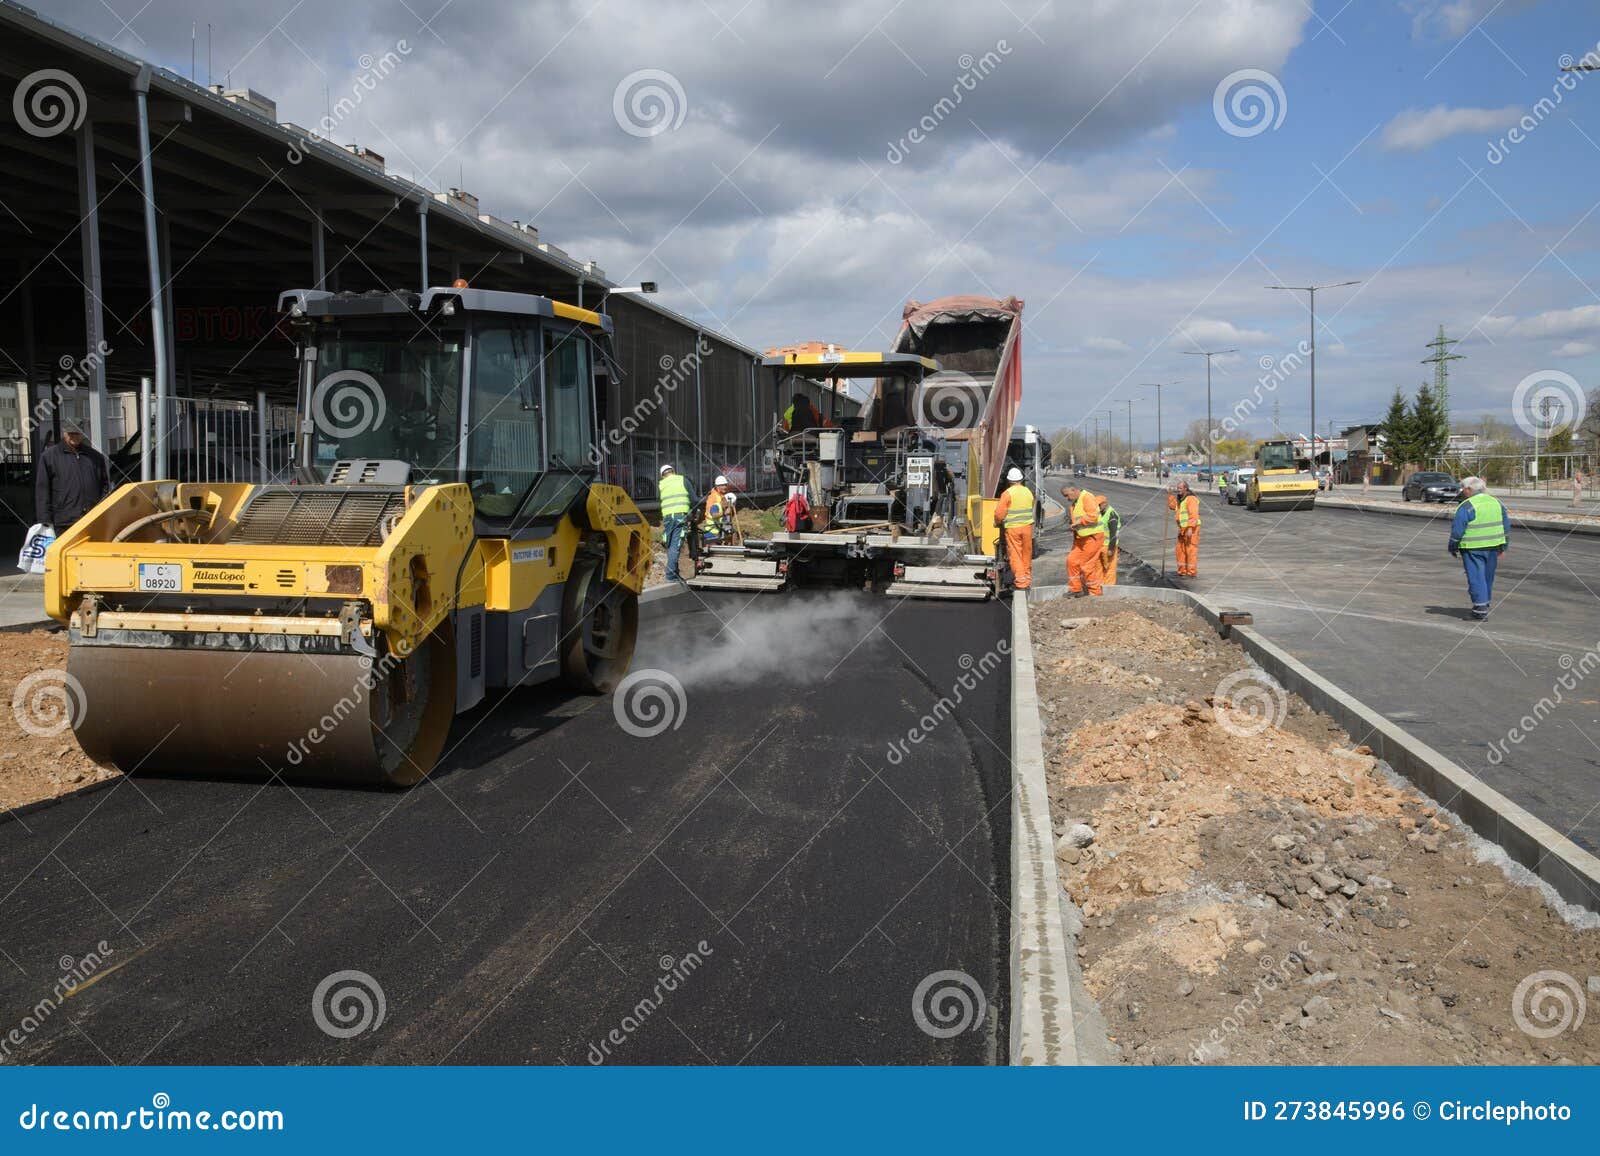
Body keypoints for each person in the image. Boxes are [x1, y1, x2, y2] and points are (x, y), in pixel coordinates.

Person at [1448, 476, 1509, 620]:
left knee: (1476, 577)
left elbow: (1457, 530)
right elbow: (1505, 526)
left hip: (1472, 548)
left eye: (1463, 488)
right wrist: (1503, 546)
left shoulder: (1467, 505)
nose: (1462, 491)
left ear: (1469, 489)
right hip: (1493, 546)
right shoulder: (1496, 502)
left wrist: (1453, 546)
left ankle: (1480, 610)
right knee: (1487, 577)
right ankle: (1484, 604)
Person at [35, 421, 110, 535]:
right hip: (63, 521)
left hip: (92, 519)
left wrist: (100, 510)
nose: (74, 437)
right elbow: (42, 489)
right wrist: (45, 520)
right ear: (64, 433)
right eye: (71, 433)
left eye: (77, 433)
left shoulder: (95, 456)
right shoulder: (49, 456)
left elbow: (104, 485)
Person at [1059, 484, 1106, 596]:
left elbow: (1092, 516)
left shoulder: (1086, 497)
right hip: (1081, 539)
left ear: (1073, 490)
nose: (1067, 498)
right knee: (1071, 561)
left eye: (1067, 495)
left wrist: (1078, 523)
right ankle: (1076, 589)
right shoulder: (1075, 503)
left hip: (1092, 538)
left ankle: (1095, 592)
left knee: (1086, 565)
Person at [993, 466, 1035, 591]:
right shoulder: (1028, 492)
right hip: (1027, 527)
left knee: (1016, 555)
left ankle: (1021, 583)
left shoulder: (1007, 493)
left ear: (1009, 481)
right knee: (1026, 554)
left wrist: (997, 522)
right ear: (1021, 479)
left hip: (1013, 529)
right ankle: (1027, 580)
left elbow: (999, 513)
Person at [657, 463, 692, 583]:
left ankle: (675, 572)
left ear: (662, 476)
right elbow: (694, 498)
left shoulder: (662, 484)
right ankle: (671, 576)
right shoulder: (682, 480)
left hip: (667, 519)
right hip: (680, 517)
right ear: (673, 471)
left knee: (670, 544)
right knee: (675, 546)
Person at [1168, 480, 1200, 577]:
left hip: (1192, 528)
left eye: (1180, 488)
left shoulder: (1191, 499)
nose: (1178, 490)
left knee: (1190, 550)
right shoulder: (1180, 499)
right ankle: (1182, 571)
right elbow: (1172, 506)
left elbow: (1193, 515)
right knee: (1180, 550)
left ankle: (1191, 572)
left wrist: (1190, 528)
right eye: (1178, 488)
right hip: (1182, 528)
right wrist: (1170, 495)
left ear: (1186, 488)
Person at [701, 474, 732, 545]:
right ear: (717, 486)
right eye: (723, 485)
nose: (725, 487)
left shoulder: (721, 495)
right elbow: (713, 514)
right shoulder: (713, 497)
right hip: (712, 528)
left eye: (726, 485)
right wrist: (724, 513)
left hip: (719, 526)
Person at [1099, 493, 1121, 585]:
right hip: (1100, 545)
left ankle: (1109, 587)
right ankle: (1100, 586)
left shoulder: (1112, 514)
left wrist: (1111, 548)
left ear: (1104, 503)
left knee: (1110, 568)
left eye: (1098, 505)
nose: (1097, 507)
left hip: (1108, 546)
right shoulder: (1100, 513)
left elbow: (1113, 533)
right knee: (1100, 568)